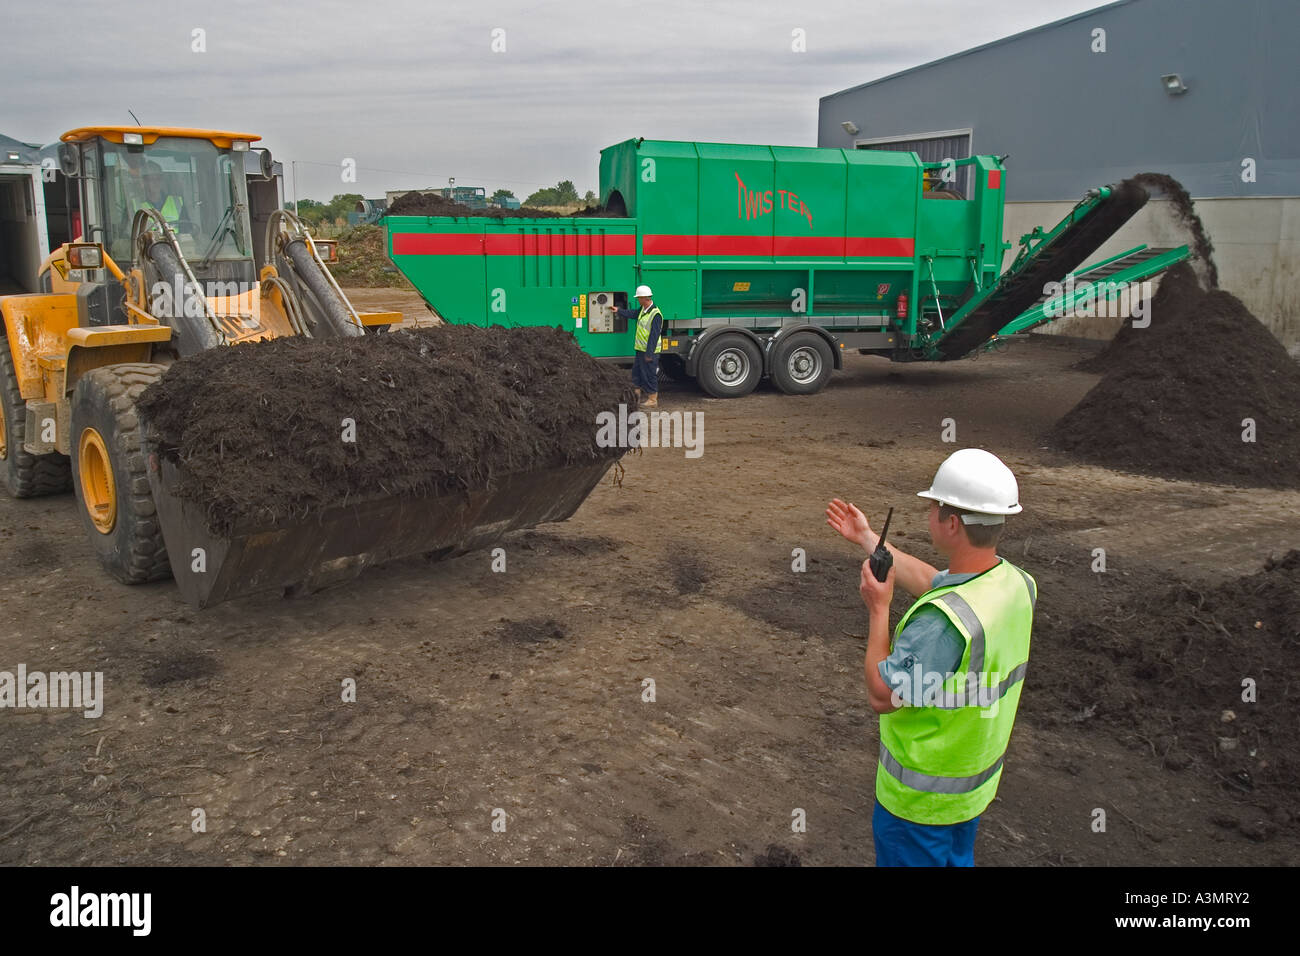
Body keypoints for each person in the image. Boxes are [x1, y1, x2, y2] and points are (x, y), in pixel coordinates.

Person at [826, 448, 1036, 867]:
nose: (929, 515)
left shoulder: (941, 625)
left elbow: (882, 695)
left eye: (933, 508)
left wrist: (879, 609)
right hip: (969, 788)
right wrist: (870, 540)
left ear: (952, 523)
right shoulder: (1014, 583)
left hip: (919, 805)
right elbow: (932, 580)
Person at [614, 284, 663, 407]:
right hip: (640, 349)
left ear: (645, 298)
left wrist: (649, 353)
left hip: (649, 351)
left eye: (639, 298)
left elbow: (654, 335)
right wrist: (619, 311)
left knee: (649, 374)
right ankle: (635, 398)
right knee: (637, 373)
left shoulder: (656, 314)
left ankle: (652, 400)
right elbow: (632, 313)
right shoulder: (642, 310)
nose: (637, 300)